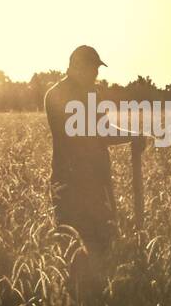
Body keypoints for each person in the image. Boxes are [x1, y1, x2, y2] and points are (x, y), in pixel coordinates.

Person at [44, 45, 144, 254]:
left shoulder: (80, 93)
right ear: (77, 67)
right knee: (83, 248)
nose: (96, 74)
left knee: (93, 248)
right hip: (75, 186)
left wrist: (132, 135)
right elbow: (101, 132)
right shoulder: (60, 96)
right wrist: (132, 135)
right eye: (93, 68)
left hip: (92, 182)